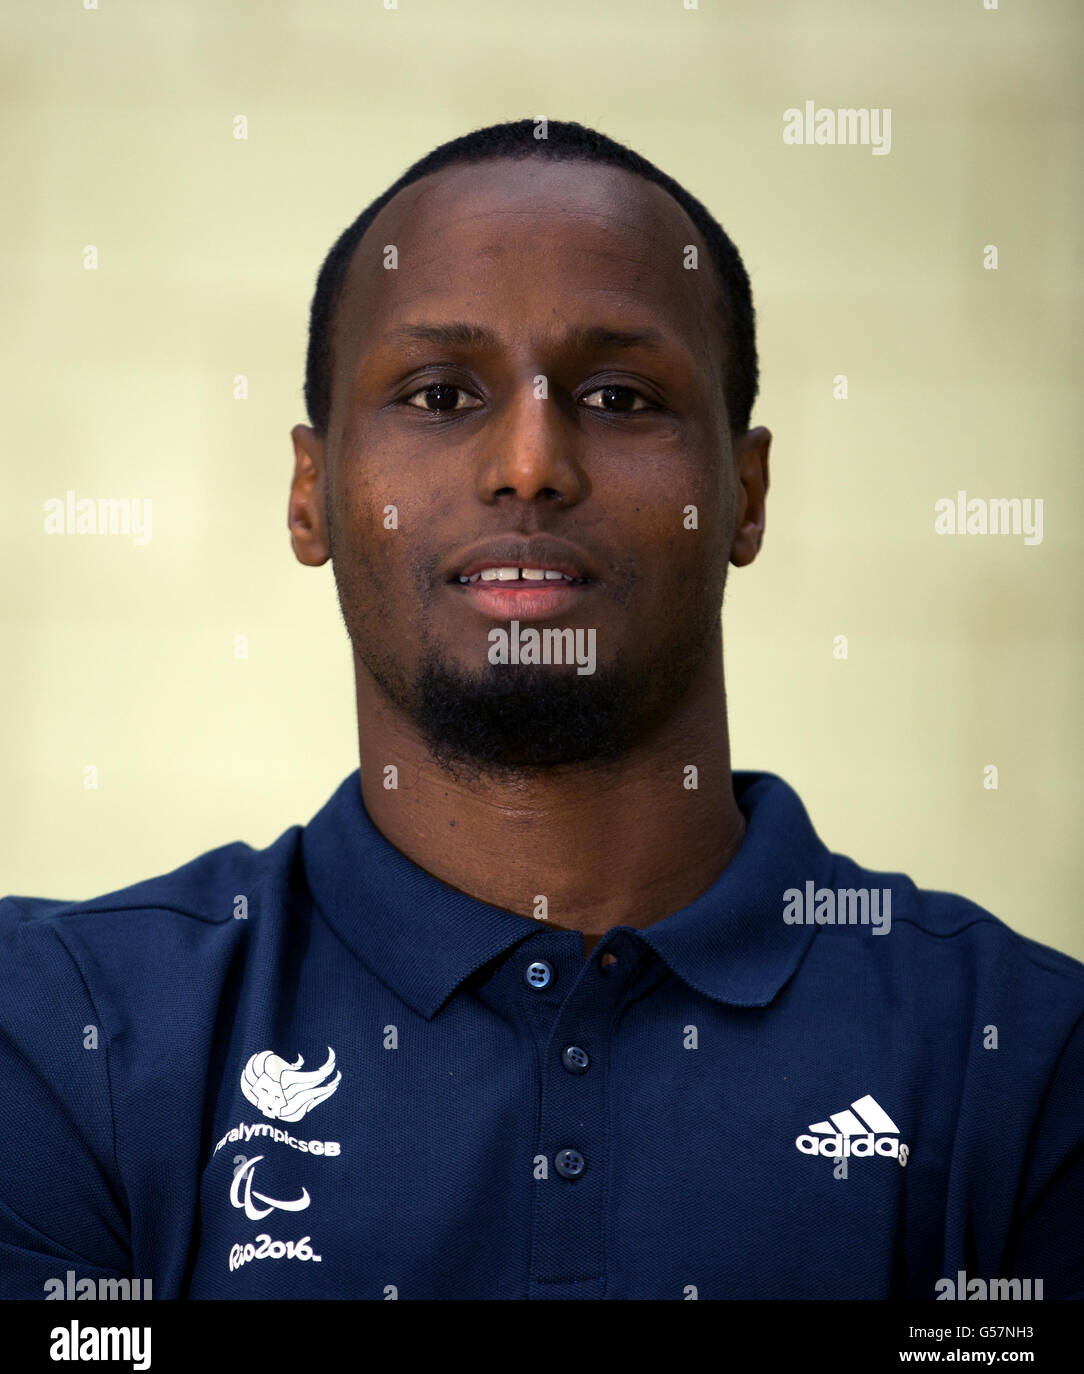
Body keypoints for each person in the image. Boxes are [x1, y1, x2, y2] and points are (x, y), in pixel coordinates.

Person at [2, 120, 1081, 1301]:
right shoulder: (63, 1035)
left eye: (619, 395)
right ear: (312, 495)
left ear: (745, 493)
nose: (529, 459)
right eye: (438, 392)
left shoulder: (1023, 1064)